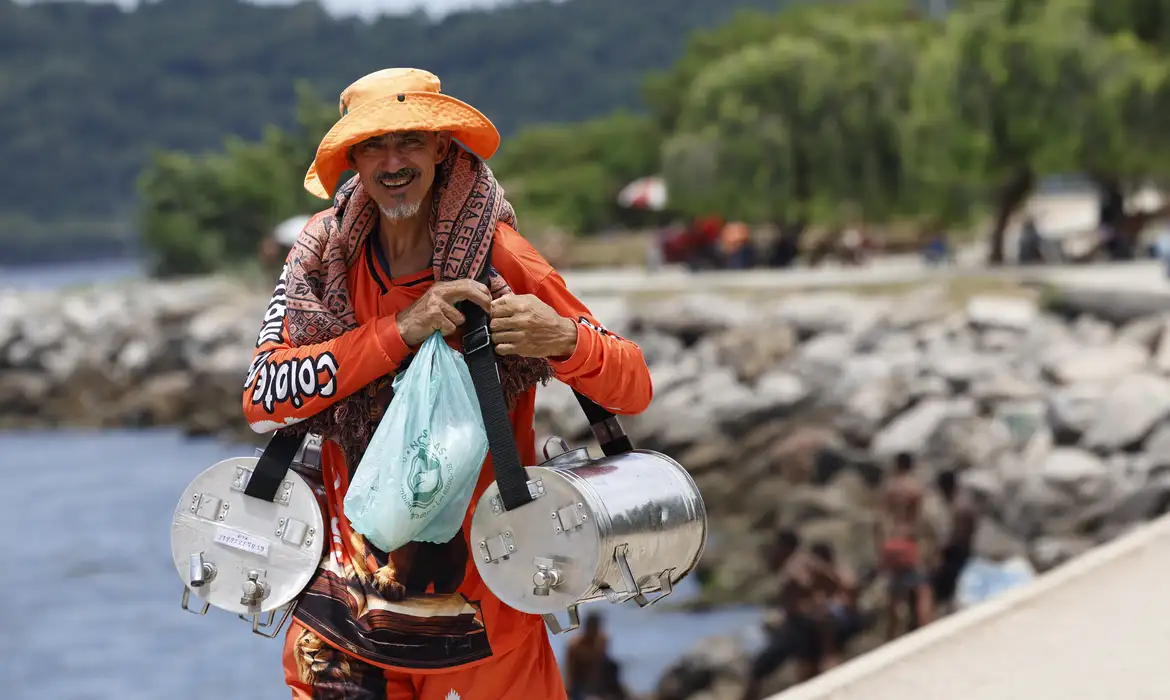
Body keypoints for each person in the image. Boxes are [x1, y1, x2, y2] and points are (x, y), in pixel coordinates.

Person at [240, 68, 653, 700]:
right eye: (374, 145)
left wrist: (565, 342)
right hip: (345, 618)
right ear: (353, 159)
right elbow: (265, 398)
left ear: (440, 147)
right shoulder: (319, 259)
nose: (393, 160)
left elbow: (632, 386)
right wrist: (405, 328)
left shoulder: (503, 257)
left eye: (408, 140)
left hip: (483, 619)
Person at [876, 452, 933, 641]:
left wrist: (882, 548)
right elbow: (920, 521)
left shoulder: (889, 488)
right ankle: (925, 631)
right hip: (908, 541)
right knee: (921, 589)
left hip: (892, 543)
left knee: (894, 595)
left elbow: (881, 520)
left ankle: (890, 638)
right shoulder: (915, 488)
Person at [931, 470, 977, 613]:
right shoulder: (956, 503)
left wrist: (941, 549)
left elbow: (959, 536)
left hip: (957, 554)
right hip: (956, 552)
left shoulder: (960, 507)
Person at [565, 612, 624, 700]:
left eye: (595, 627)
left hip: (599, 678)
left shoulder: (602, 640)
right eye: (592, 627)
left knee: (613, 665)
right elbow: (569, 667)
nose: (593, 630)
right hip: (580, 679)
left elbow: (601, 661)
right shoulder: (576, 645)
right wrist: (569, 686)